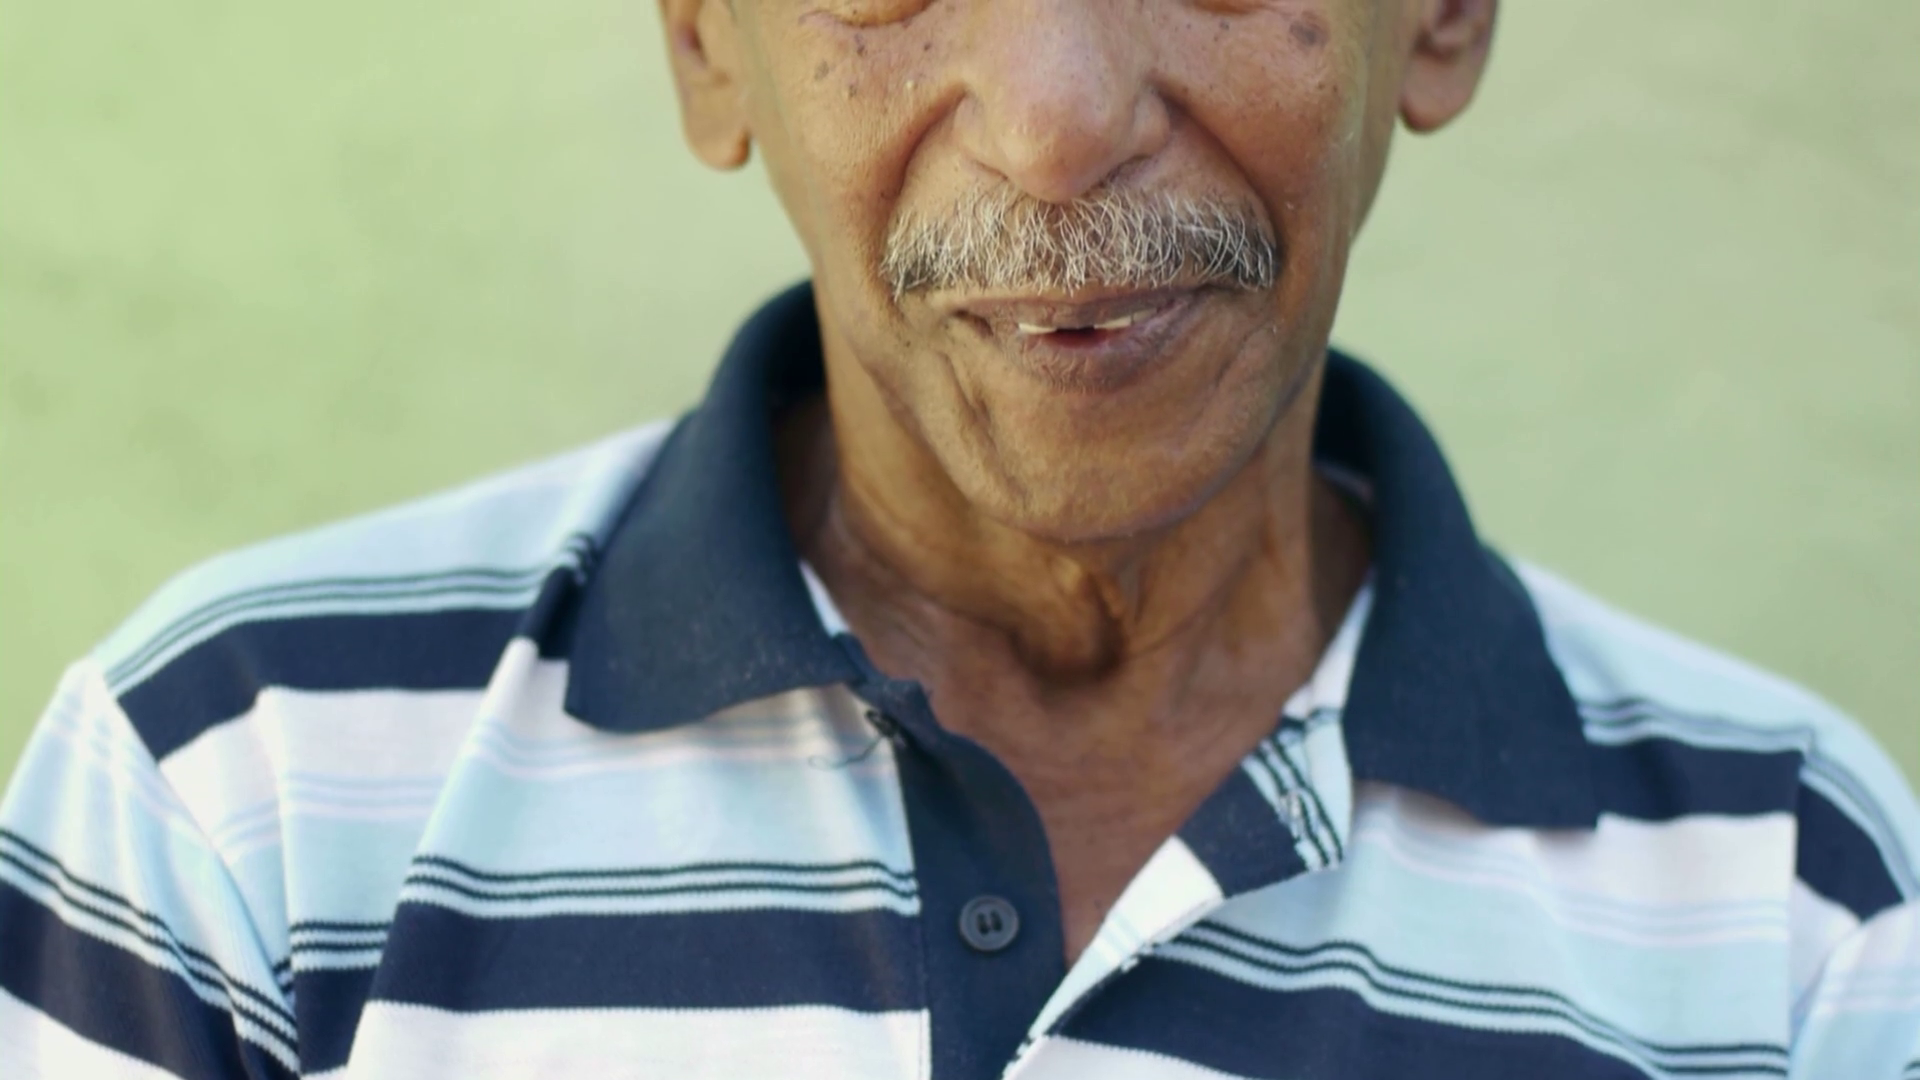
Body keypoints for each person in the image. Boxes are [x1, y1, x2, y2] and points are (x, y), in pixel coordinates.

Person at [3, 0, 1915, 1076]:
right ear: (701, 46)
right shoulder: (230, 795)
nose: (1060, 121)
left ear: (1441, 17)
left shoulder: (1793, 916)